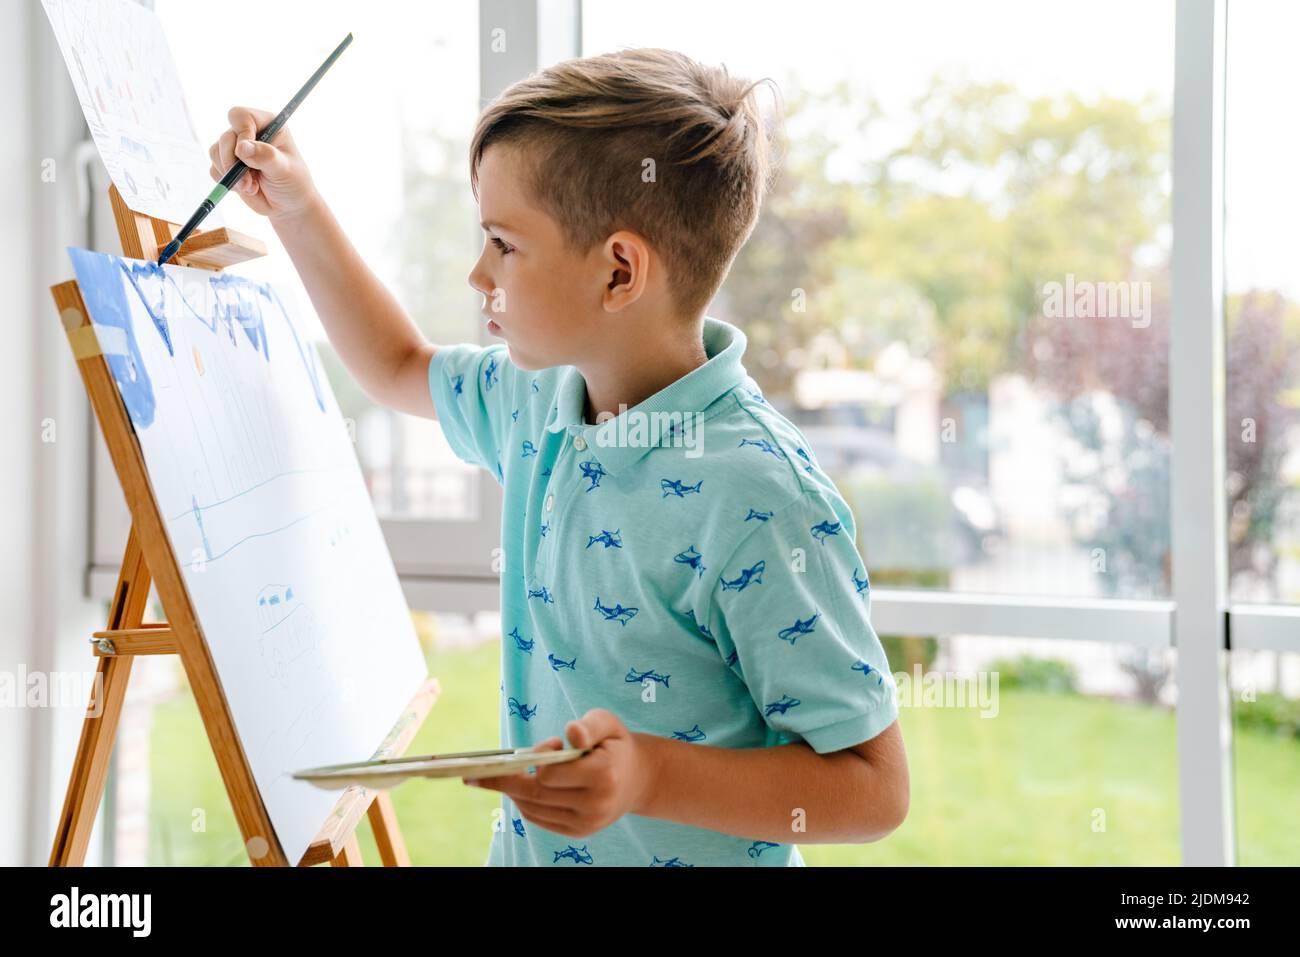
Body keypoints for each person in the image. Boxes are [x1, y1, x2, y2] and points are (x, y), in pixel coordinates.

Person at [208, 46, 908, 867]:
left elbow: (872, 787)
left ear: (619, 272)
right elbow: (398, 364)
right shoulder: (533, 404)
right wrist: (296, 207)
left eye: (503, 243)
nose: (477, 273)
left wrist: (650, 775)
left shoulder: (761, 498)